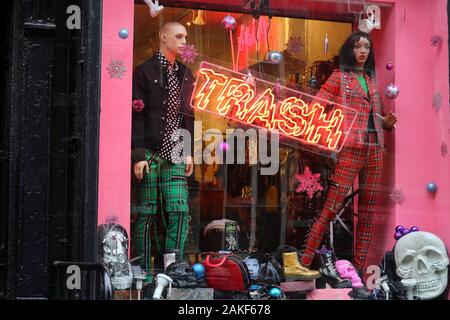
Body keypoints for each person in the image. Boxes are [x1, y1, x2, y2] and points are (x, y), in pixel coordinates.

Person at [297, 31, 398, 279]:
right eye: (357, 46)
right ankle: (304, 262)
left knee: (368, 211)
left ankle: (360, 270)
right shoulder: (339, 78)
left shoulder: (371, 79)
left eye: (366, 46)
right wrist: (332, 124)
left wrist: (387, 122)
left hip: (375, 149)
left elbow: (377, 116)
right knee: (331, 207)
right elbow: (316, 104)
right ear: (349, 50)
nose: (362, 51)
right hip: (351, 148)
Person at [131, 22, 195, 282]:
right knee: (147, 212)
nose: (183, 41)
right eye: (178, 36)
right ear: (163, 37)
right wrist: (137, 154)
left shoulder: (186, 73)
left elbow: (188, 114)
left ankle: (173, 264)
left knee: (179, 209)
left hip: (177, 150)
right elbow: (136, 114)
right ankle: (144, 271)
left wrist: (188, 150)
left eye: (186, 37)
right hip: (149, 149)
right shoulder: (144, 71)